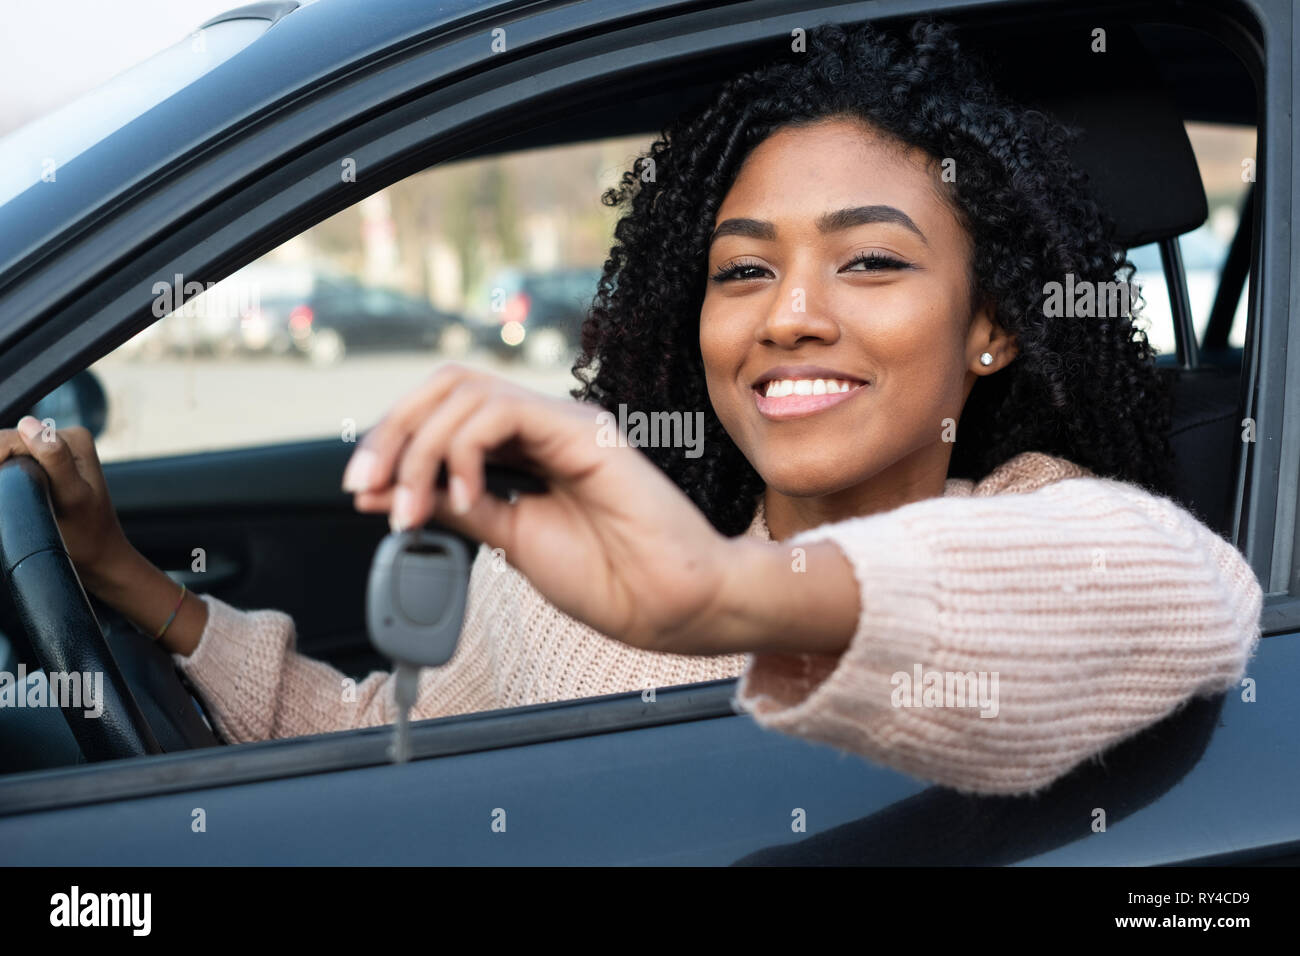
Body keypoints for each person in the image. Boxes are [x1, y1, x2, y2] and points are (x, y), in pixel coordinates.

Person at [0, 20, 1260, 796]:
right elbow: (363, 737)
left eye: (871, 261)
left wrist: (722, 599)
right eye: (743, 269)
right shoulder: (569, 565)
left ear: (988, 328)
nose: (789, 316)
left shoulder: (1032, 520)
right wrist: (126, 579)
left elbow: (1179, 592)